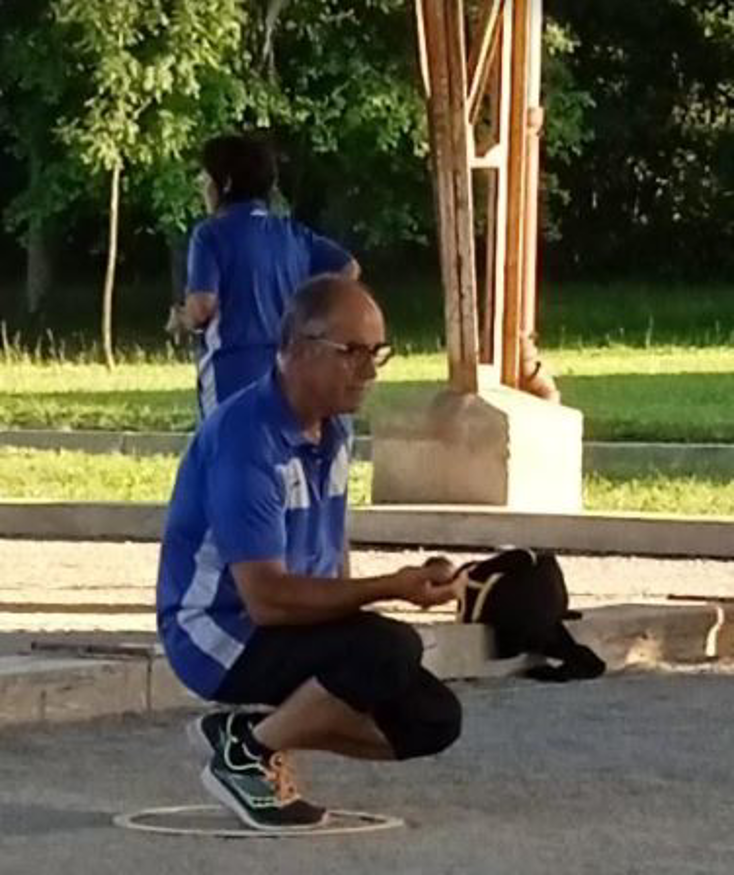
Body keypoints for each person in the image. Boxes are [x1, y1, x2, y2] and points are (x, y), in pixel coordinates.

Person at [157, 274, 463, 831]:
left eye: (377, 353)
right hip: (217, 632)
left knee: (433, 720)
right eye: (351, 353)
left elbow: (330, 542)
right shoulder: (247, 440)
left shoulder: (335, 429)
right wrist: (391, 588)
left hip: (280, 624)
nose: (368, 370)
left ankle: (249, 737)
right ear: (297, 349)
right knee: (389, 645)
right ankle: (246, 756)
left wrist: (358, 613)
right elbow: (266, 600)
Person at [182, 132, 360, 417]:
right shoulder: (293, 233)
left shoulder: (210, 234)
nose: (201, 184)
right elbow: (348, 268)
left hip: (232, 373)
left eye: (205, 177)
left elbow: (202, 305)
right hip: (292, 370)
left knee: (229, 453)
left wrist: (183, 318)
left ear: (224, 183)